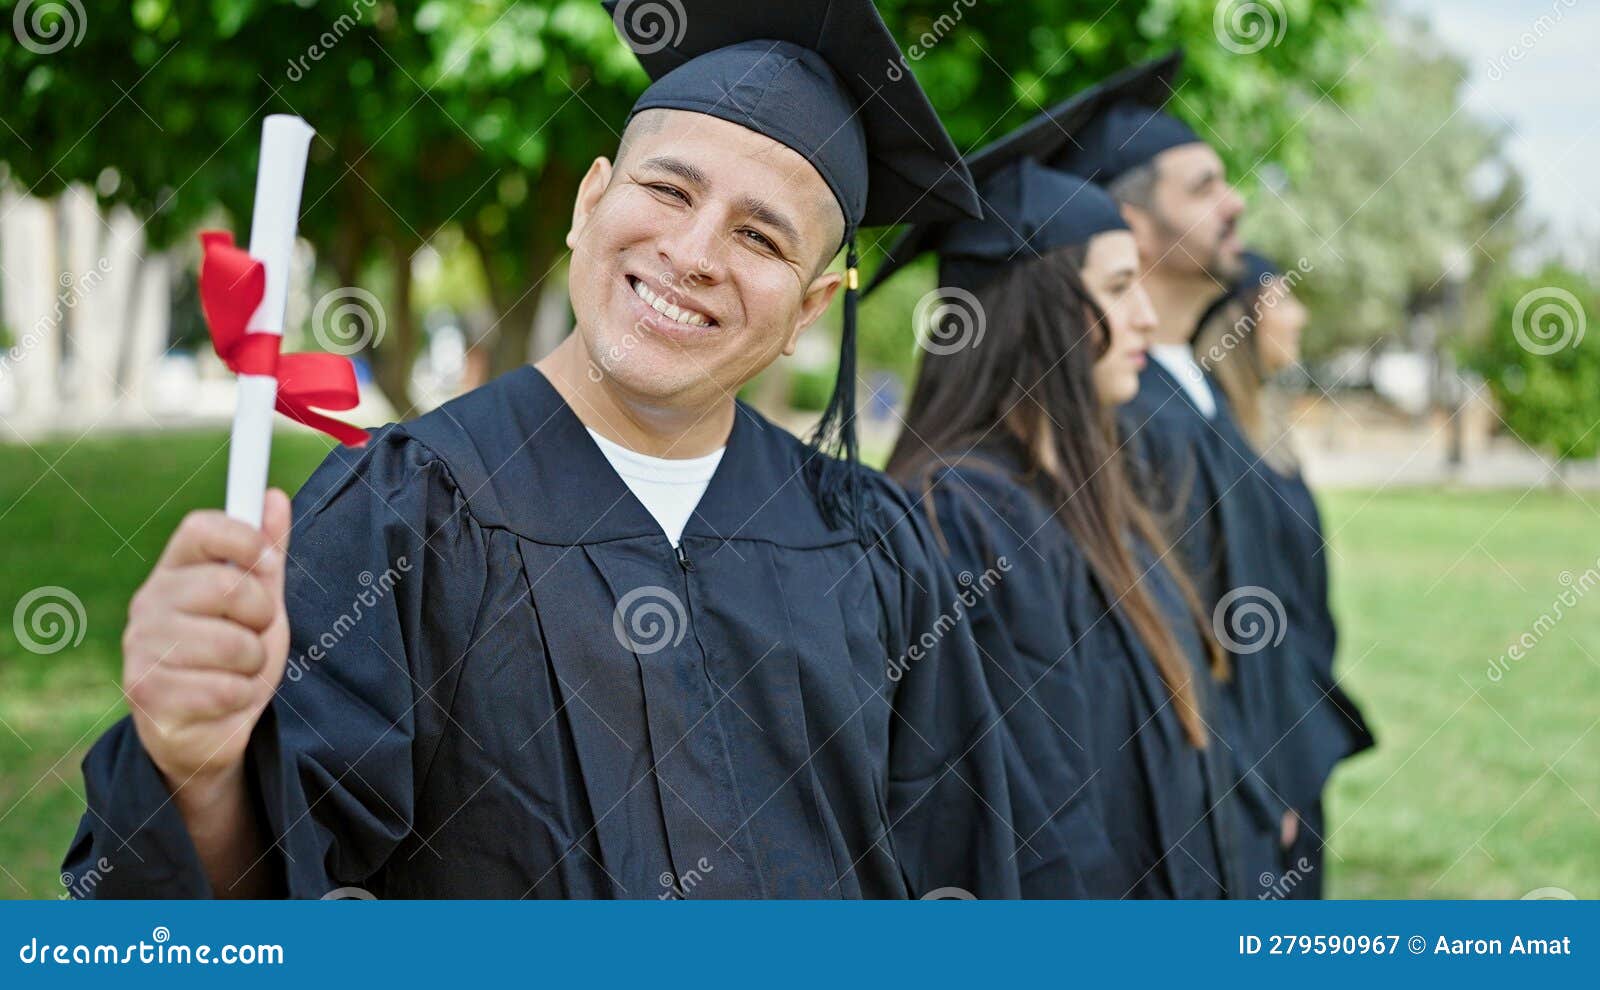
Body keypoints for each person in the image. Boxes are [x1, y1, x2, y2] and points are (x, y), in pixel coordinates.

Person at [63, 0, 1042, 900]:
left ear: (811, 308)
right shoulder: (404, 511)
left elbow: (956, 878)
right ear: (587, 204)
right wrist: (195, 773)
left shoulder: (874, 549)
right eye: (669, 188)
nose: (695, 252)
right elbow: (252, 899)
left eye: (761, 238)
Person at [873, 155, 1246, 898]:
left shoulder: (1091, 491)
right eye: (1116, 287)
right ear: (1033, 309)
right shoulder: (961, 520)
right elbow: (1032, 823)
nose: (1144, 314)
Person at [1194, 252, 1375, 897]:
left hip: (1295, 727)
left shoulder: (1262, 428)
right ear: (1238, 315)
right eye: (1283, 300)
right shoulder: (1217, 443)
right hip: (1267, 746)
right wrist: (1276, 777)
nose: (1298, 317)